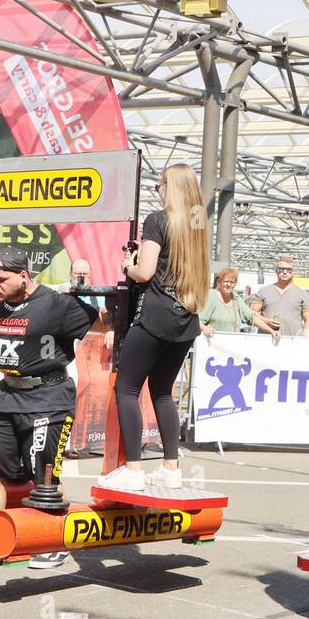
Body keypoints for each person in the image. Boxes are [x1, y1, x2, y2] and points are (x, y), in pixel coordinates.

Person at [0, 248, 98, 570]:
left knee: (45, 475)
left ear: (24, 277)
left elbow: (102, 322)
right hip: (6, 396)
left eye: (1, 280)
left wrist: (84, 289)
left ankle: (54, 541)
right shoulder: (0, 302)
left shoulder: (56, 304)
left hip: (48, 398)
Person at [96, 163, 210, 494]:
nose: (158, 190)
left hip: (155, 314)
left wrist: (128, 266)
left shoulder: (157, 220)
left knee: (127, 389)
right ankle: (171, 467)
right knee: (163, 391)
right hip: (186, 318)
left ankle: (133, 468)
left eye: (160, 185)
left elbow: (145, 272)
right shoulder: (198, 222)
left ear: (169, 187)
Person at [199, 267, 277, 338]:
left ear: (235, 283)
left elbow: (252, 317)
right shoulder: (211, 296)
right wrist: (205, 328)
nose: (229, 285)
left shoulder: (236, 299)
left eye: (232, 282)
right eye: (226, 281)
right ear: (219, 282)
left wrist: (271, 331)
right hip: (212, 345)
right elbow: (198, 321)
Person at [249, 255, 309, 338]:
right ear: (276, 271)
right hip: (266, 340)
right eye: (281, 269)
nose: (285, 272)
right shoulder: (263, 291)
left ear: (293, 272)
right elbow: (251, 314)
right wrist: (266, 321)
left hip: (292, 342)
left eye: (288, 269)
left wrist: (306, 335)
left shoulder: (302, 293)